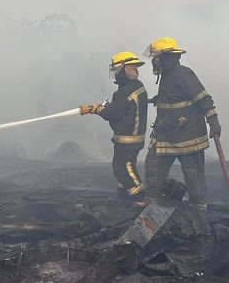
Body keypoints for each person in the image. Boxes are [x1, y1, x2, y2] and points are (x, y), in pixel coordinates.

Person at [142, 37, 220, 211]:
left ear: (167, 57)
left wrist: (213, 121)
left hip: (188, 135)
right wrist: (158, 99)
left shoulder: (184, 74)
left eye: (157, 57)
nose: (154, 61)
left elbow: (204, 99)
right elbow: (175, 97)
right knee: (153, 166)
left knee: (193, 174)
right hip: (166, 133)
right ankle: (150, 203)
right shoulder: (167, 75)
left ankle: (199, 208)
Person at [80, 51, 148, 198]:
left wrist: (96, 109)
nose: (115, 74)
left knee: (125, 167)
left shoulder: (124, 92)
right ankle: (126, 192)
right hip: (133, 137)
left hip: (127, 139)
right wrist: (104, 107)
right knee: (121, 166)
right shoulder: (137, 86)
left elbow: (113, 114)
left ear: (124, 70)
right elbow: (121, 108)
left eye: (117, 70)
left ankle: (138, 194)